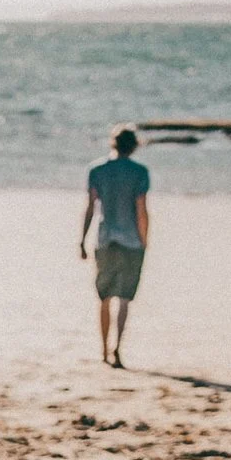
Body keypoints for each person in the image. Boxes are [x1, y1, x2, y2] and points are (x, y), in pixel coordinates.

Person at [78, 125, 151, 368]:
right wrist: (145, 240)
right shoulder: (139, 172)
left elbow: (91, 208)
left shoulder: (97, 170)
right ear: (134, 146)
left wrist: (82, 239)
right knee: (124, 299)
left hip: (104, 238)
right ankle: (117, 347)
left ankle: (102, 350)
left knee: (104, 297)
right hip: (131, 240)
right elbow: (141, 210)